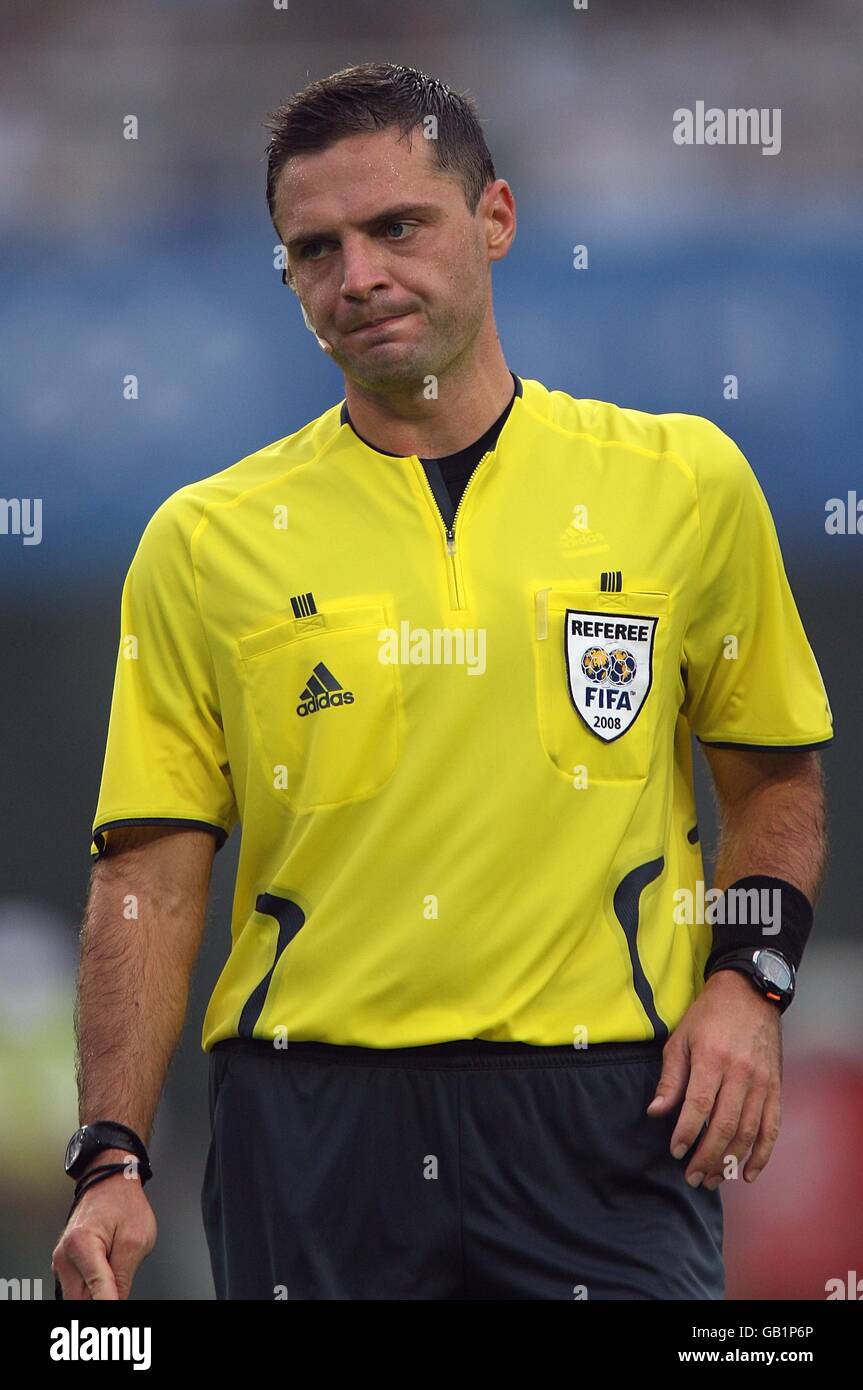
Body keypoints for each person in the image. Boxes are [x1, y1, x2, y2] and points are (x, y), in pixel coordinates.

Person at [52, 63, 832, 1301]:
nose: (356, 275)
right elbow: (146, 872)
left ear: (496, 218)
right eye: (314, 249)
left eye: (395, 226)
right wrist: (110, 1154)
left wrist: (746, 984)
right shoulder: (205, 540)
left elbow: (772, 781)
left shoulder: (680, 481)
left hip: (606, 1108)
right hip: (311, 1121)